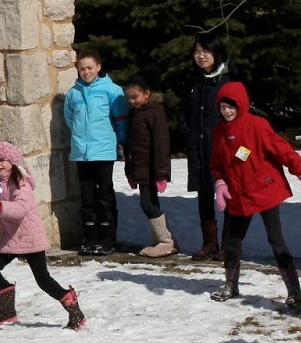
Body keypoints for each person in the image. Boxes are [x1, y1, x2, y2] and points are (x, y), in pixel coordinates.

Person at [209, 81, 301, 308]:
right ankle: (230, 284)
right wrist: (221, 183)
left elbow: (283, 151)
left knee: (276, 239)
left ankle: (295, 291)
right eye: (223, 107)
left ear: (241, 105)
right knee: (232, 241)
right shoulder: (219, 132)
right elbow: (217, 163)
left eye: (231, 106)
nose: (227, 111)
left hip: (264, 190)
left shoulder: (257, 126)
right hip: (238, 194)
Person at [0, 140, 86, 330]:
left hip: (29, 236)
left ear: (13, 161)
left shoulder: (20, 182)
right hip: (11, 236)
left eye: (2, 160)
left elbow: (20, 209)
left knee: (43, 280)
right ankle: (7, 311)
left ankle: (74, 310)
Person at [63, 50, 128, 256]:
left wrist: (121, 142)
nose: (86, 72)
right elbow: (69, 118)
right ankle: (90, 238)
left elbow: (121, 119)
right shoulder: (73, 93)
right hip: (82, 152)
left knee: (104, 196)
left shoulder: (112, 90)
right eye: (82, 68)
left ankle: (107, 238)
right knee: (87, 196)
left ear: (99, 67)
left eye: (90, 67)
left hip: (104, 151)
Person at [180, 36, 232, 259]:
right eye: (197, 52)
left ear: (216, 53)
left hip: (221, 148)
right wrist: (187, 133)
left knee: (227, 195)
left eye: (205, 51)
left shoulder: (227, 81)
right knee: (204, 195)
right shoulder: (194, 81)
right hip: (198, 147)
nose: (201, 56)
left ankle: (229, 244)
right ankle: (210, 242)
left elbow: (236, 114)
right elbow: (183, 111)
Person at [123, 75, 174, 257]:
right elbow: (132, 144)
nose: (132, 101)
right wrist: (130, 171)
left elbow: (161, 142)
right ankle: (162, 239)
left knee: (147, 203)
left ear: (147, 94)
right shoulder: (135, 114)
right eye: (128, 98)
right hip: (140, 167)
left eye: (135, 97)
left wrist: (161, 172)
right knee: (150, 202)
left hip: (152, 168)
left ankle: (166, 241)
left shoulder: (155, 111)